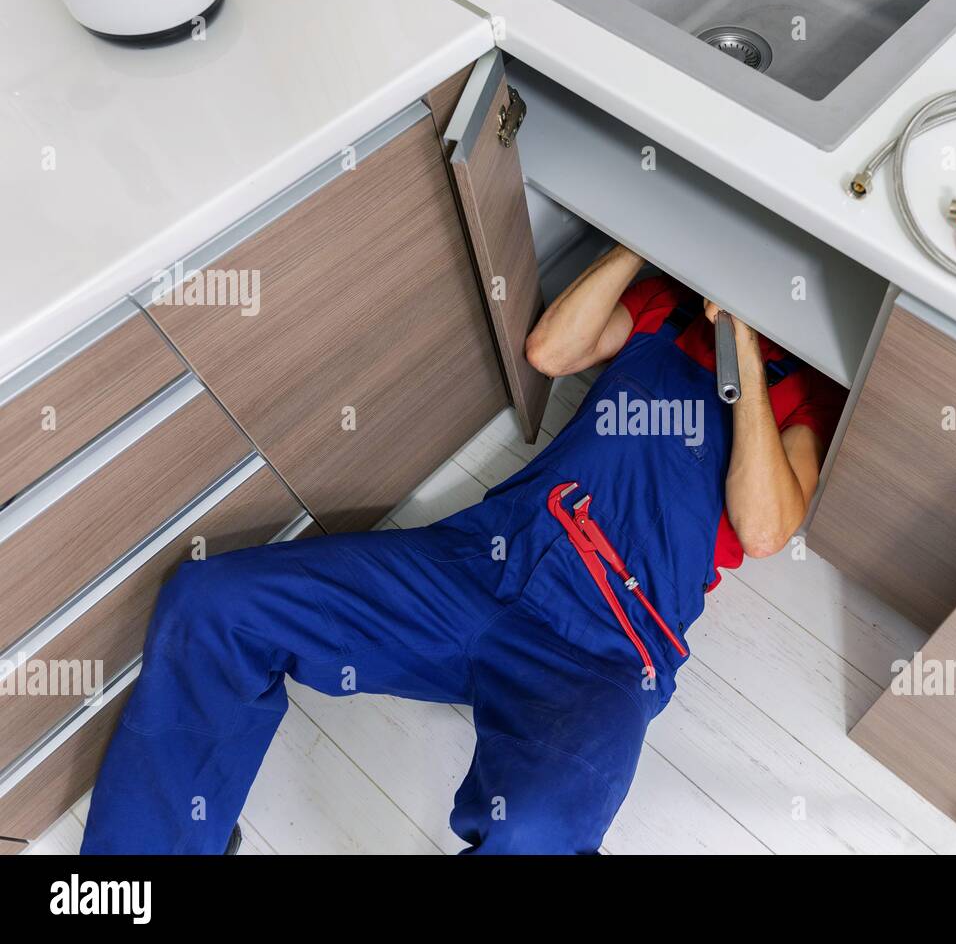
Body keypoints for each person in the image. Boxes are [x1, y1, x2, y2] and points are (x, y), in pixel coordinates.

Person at [81, 244, 845, 854]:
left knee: (536, 828)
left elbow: (766, 526)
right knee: (215, 604)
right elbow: (550, 349)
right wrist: (644, 240)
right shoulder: (660, 311)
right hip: (484, 563)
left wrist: (742, 348)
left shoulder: (807, 393)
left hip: (608, 641)